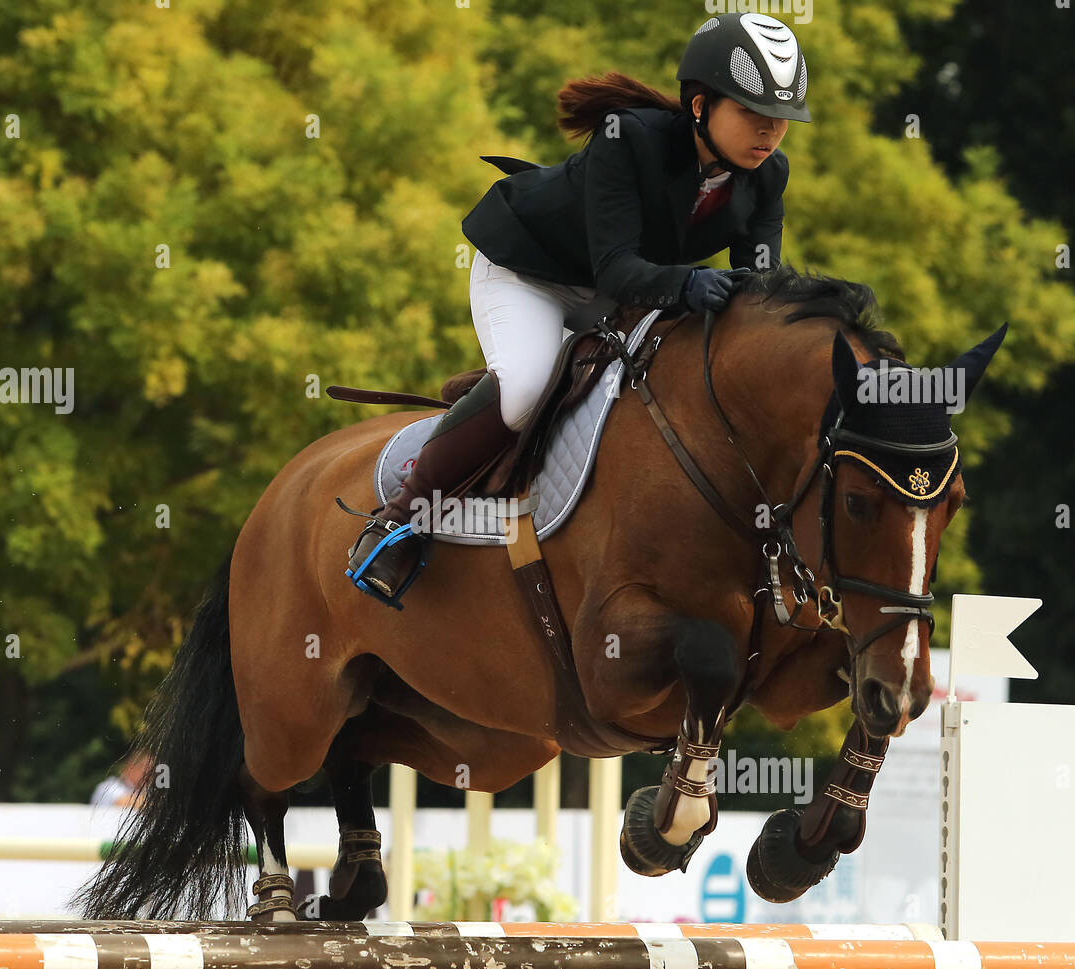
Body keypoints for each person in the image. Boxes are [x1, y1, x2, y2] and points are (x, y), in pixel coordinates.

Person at [346, 12, 811, 606]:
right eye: (753, 112)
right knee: (524, 388)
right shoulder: (629, 137)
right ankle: (397, 520)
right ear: (699, 106)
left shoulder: (767, 175)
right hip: (531, 273)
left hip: (620, 295)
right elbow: (618, 267)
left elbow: (756, 287)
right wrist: (693, 284)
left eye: (782, 120)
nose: (770, 131)